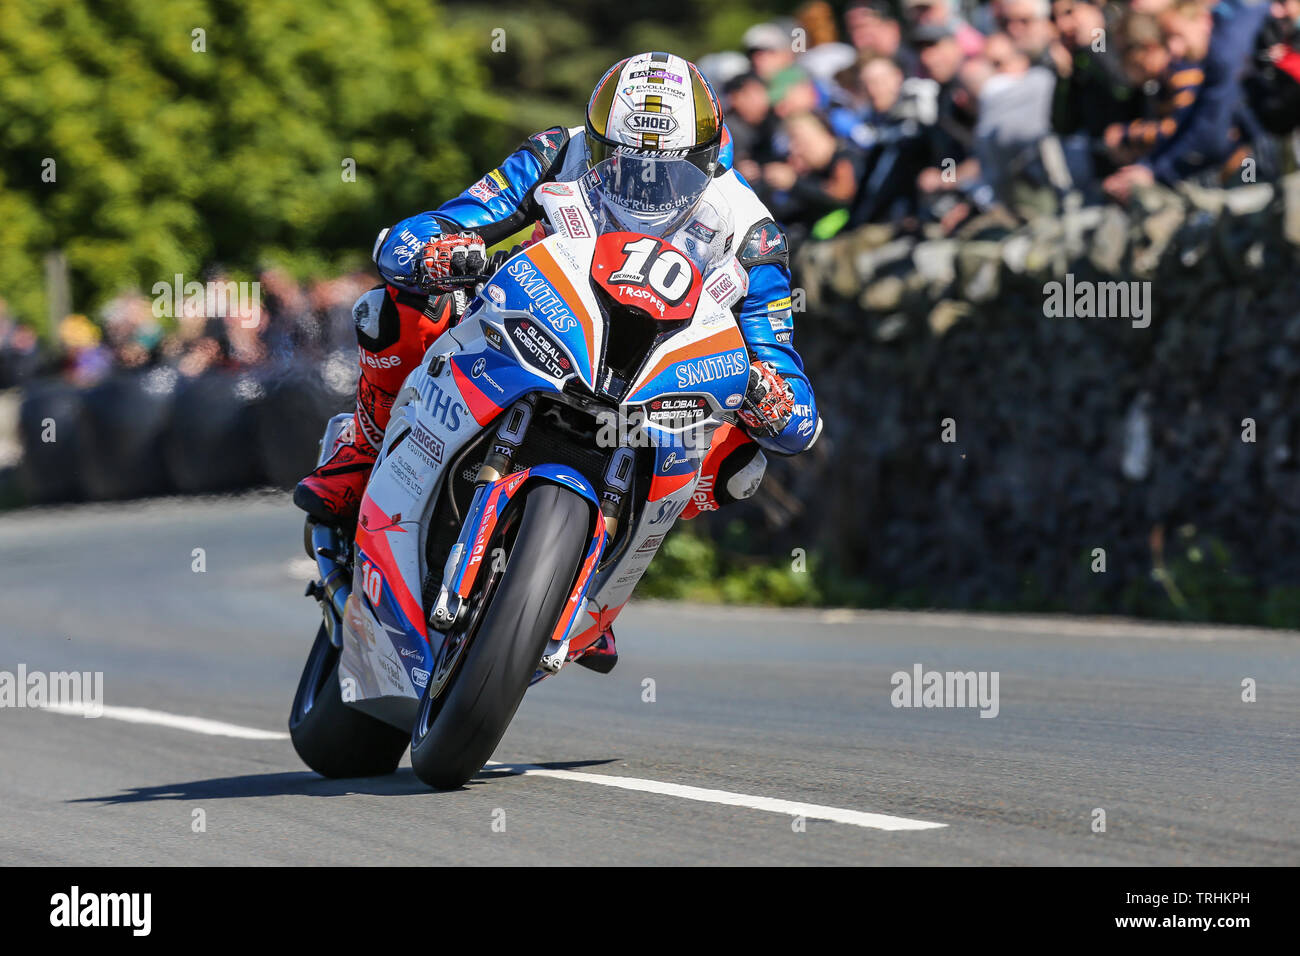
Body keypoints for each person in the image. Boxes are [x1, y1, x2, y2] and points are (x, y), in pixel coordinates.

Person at [296, 52, 821, 543]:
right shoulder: (557, 150)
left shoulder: (750, 231)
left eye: (667, 172)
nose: (642, 184)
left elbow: (791, 395)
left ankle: (602, 587)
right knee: (393, 307)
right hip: (532, 329)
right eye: (623, 162)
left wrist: (772, 398)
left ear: (708, 159)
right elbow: (442, 221)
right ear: (596, 144)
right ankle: (364, 453)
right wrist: (437, 251)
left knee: (739, 467)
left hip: (653, 393)